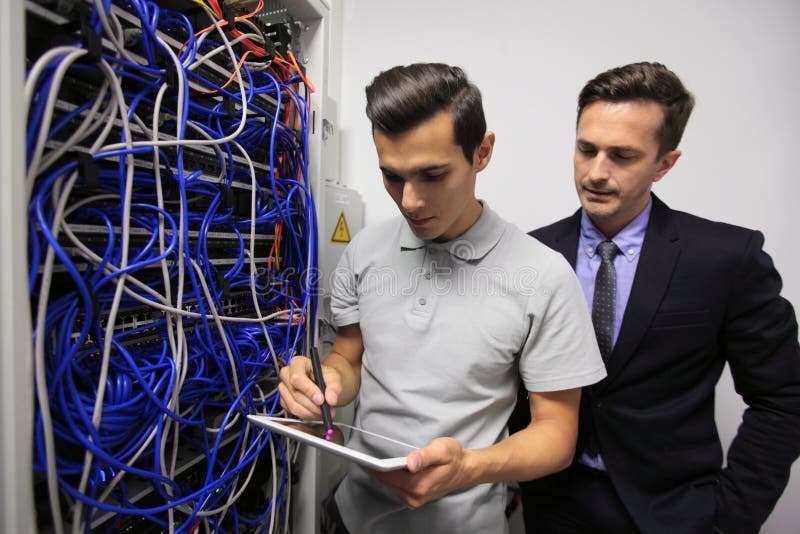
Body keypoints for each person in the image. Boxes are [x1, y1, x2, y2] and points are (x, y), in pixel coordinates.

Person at [277, 63, 606, 533]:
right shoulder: (364, 250)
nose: (410, 200)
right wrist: (322, 386)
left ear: (482, 152)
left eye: (432, 175)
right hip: (350, 516)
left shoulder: (543, 276)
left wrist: (469, 467)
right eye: (392, 176)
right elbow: (348, 359)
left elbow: (556, 436)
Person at [509, 61, 800, 533]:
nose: (596, 172)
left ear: (665, 164)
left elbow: (782, 398)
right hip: (552, 508)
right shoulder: (530, 253)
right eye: (586, 149)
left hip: (674, 513)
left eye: (622, 155)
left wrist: (729, 518)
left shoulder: (726, 257)